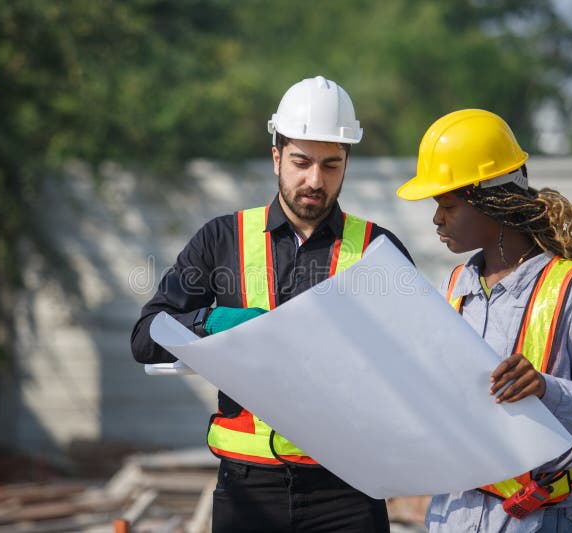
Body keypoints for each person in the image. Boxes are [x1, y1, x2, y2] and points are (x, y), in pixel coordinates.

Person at [131, 75, 412, 533]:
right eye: (301, 161)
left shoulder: (378, 250)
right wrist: (209, 321)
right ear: (276, 156)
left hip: (349, 490)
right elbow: (146, 337)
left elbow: (417, 364)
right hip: (247, 490)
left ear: (346, 165)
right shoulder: (222, 239)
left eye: (331, 165)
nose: (315, 180)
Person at [396, 109, 572, 532]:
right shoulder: (452, 287)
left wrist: (547, 389)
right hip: (453, 516)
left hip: (538, 519)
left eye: (448, 205)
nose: (436, 218)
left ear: (492, 204)